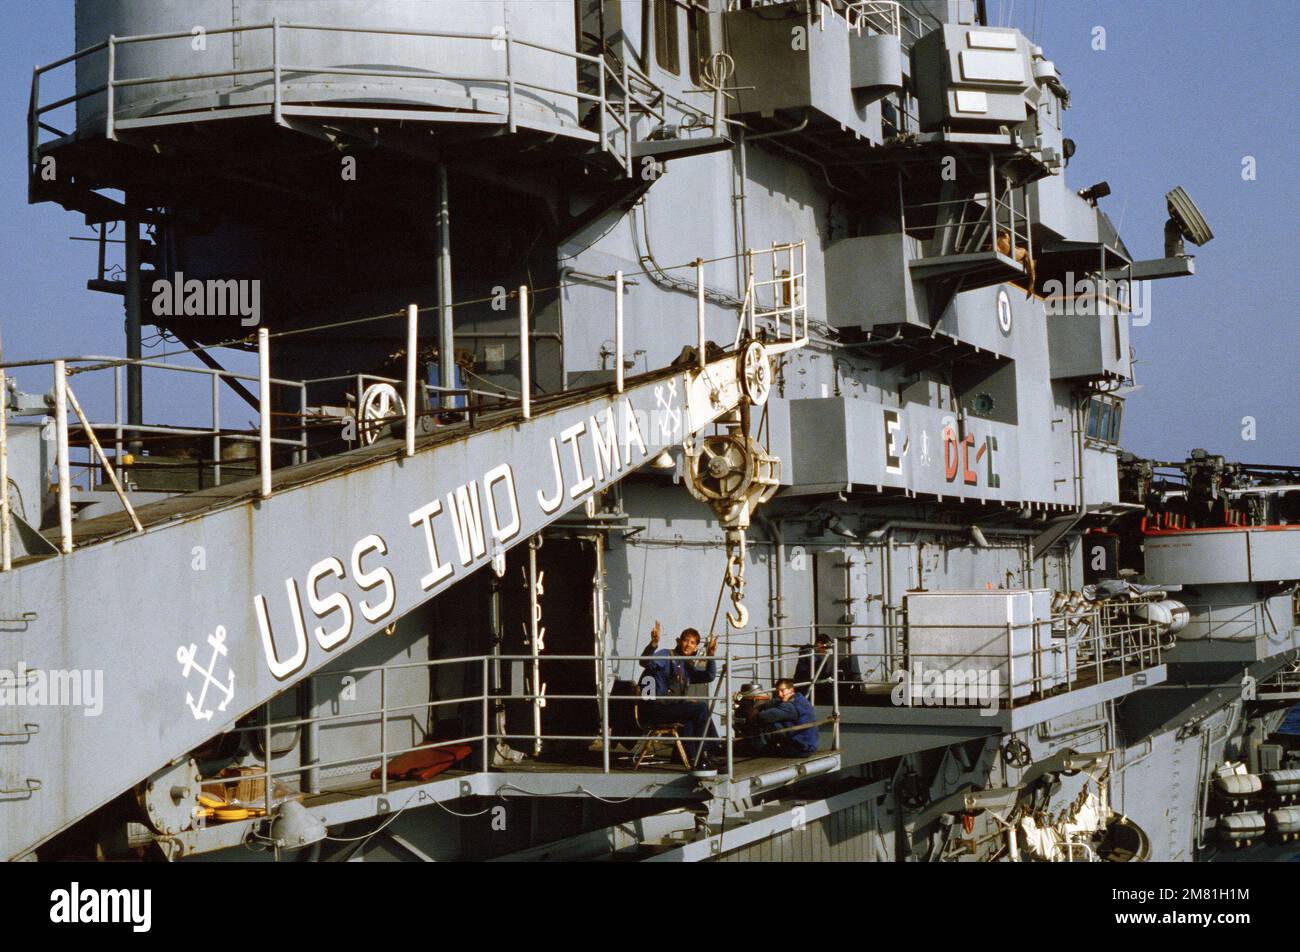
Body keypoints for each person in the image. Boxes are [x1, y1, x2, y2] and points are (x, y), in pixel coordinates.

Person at [639, 621, 719, 767]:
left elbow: (709, 676)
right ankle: (706, 754)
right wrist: (653, 643)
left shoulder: (686, 667)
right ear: (679, 641)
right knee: (700, 708)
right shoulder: (666, 655)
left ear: (696, 648)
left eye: (692, 642)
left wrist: (711, 656)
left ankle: (695, 757)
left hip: (668, 708)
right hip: (655, 709)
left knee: (691, 717)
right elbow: (645, 662)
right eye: (685, 640)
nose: (688, 644)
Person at [749, 679, 819, 756]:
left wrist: (754, 713)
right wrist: (759, 707)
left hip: (801, 749)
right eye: (777, 691)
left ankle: (758, 751)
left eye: (782, 691)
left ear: (791, 690)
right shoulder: (799, 698)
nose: (779, 694)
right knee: (778, 725)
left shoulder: (789, 707)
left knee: (771, 724)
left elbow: (764, 717)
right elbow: (775, 702)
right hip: (809, 745)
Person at [995, 229, 1036, 299]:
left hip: (1008, 251)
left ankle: (1032, 283)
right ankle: (1032, 283)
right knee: (1025, 252)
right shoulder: (1002, 240)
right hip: (1010, 252)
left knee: (1025, 254)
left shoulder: (999, 241)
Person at [793, 633, 835, 698]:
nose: (825, 650)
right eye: (825, 648)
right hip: (803, 683)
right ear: (819, 644)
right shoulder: (808, 652)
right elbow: (814, 663)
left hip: (813, 681)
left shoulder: (818, 655)